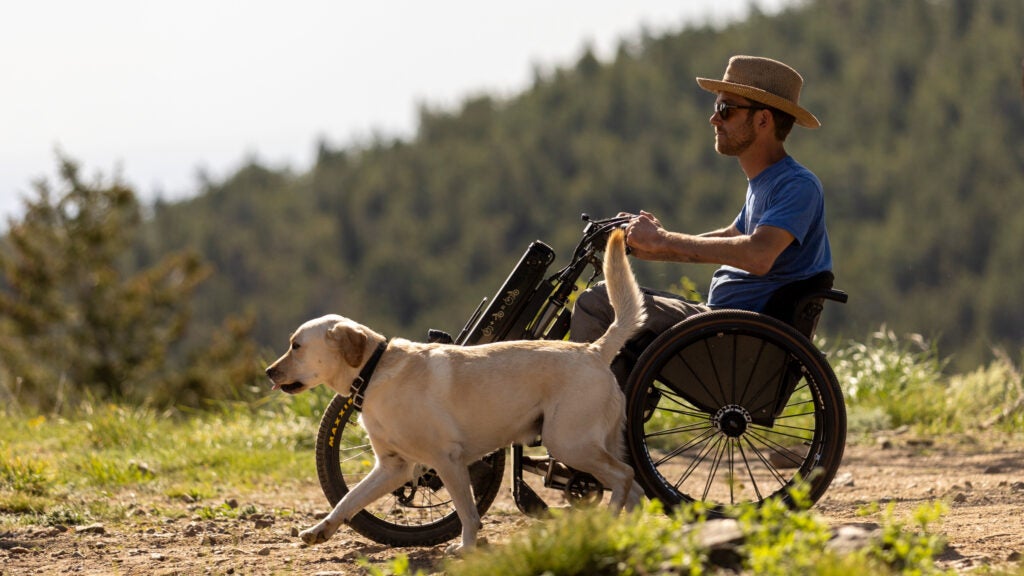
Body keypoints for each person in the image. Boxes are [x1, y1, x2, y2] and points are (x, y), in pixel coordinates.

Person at [570, 55, 833, 346]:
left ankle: (591, 393)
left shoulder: (797, 185)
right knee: (616, 304)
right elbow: (732, 238)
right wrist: (652, 246)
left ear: (763, 119)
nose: (714, 118)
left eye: (726, 109)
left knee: (598, 303)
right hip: (727, 328)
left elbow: (758, 255)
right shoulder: (767, 183)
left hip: (736, 337)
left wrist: (664, 239)